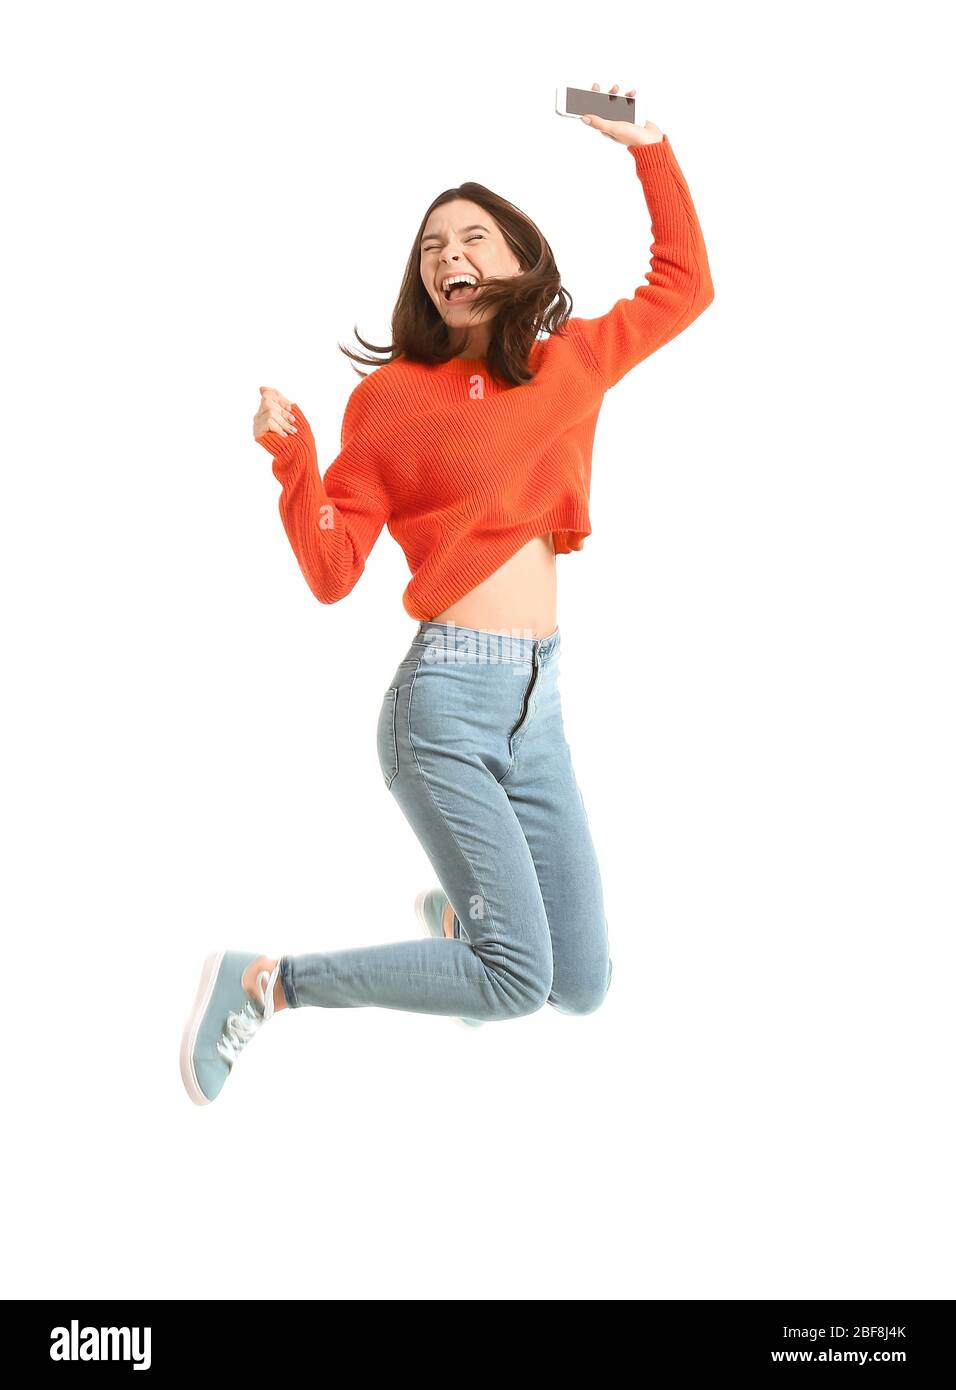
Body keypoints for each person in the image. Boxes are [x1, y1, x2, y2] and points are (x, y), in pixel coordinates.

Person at [180, 82, 714, 1105]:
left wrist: (647, 145)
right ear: (423, 282)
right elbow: (335, 570)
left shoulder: (568, 365)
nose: (448, 255)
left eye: (471, 236)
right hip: (442, 706)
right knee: (518, 981)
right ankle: (267, 983)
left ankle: (461, 920)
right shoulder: (385, 403)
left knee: (584, 984)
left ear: (517, 261)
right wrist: (293, 459)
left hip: (539, 703)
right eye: (431, 247)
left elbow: (683, 284)